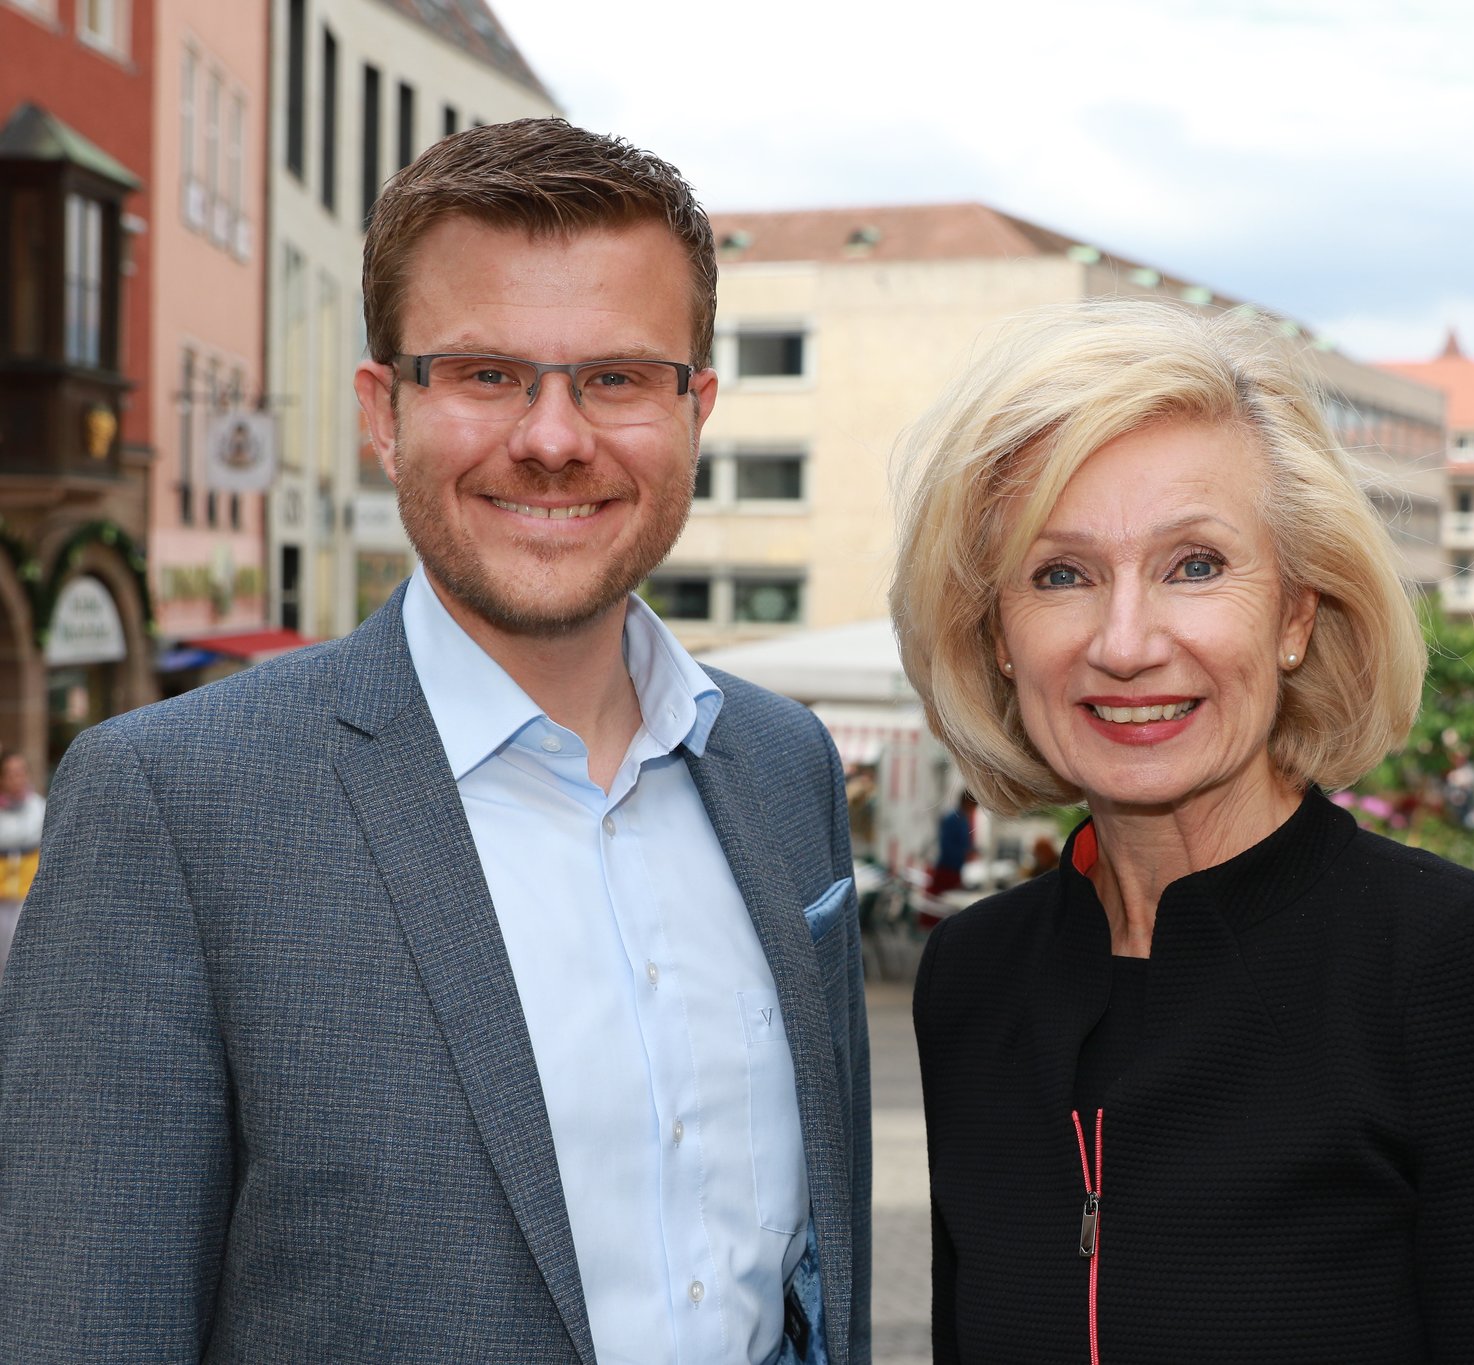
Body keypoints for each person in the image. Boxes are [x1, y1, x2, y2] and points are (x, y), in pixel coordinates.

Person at [0, 120, 870, 1365]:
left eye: (618, 377)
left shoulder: (782, 771)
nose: (555, 437)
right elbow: (84, 1324)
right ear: (383, 410)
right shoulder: (175, 807)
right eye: (485, 373)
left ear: (698, 409)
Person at [890, 299, 1474, 1363]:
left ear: (1294, 613)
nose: (1126, 642)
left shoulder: (1467, 971)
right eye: (1061, 574)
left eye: (1194, 565)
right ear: (995, 635)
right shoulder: (972, 975)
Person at [0, 749, 45, 977]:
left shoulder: (39, 807)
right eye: (10, 774)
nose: (17, 779)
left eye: (21, 773)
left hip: (27, 896)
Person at [928, 790, 978, 894]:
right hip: (946, 870)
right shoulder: (953, 819)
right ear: (967, 803)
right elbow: (946, 846)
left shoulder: (964, 819)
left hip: (956, 870)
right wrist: (963, 854)